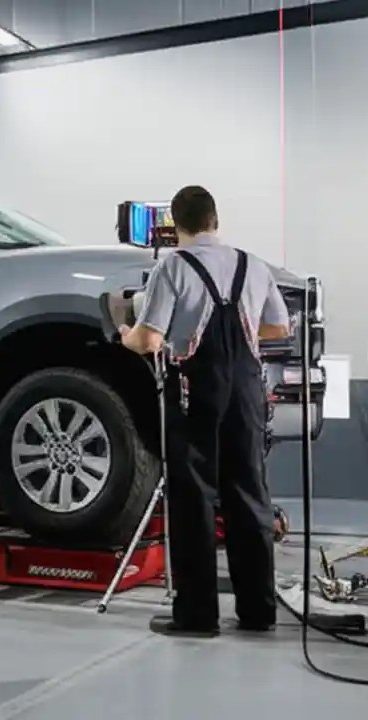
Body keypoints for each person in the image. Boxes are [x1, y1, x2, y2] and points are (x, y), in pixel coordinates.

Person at [119, 185, 291, 638]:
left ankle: (197, 616)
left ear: (176, 225)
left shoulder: (173, 265)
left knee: (193, 497)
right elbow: (279, 327)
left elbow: (150, 340)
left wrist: (124, 332)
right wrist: (246, 326)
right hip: (247, 391)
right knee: (248, 492)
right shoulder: (253, 265)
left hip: (195, 391)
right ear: (216, 220)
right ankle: (258, 612)